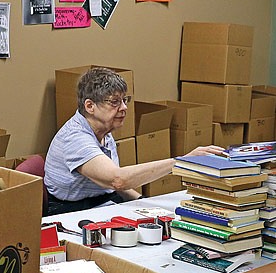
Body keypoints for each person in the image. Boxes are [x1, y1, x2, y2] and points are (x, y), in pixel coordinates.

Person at [44, 67, 224, 215]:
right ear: (90, 106)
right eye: (114, 102)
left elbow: (113, 185)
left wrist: (143, 203)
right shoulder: (76, 138)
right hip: (72, 212)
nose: (123, 108)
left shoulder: (103, 130)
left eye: (124, 100)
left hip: (102, 203)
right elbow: (117, 180)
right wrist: (181, 162)